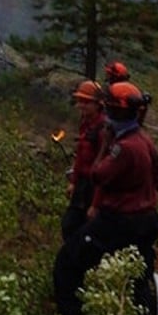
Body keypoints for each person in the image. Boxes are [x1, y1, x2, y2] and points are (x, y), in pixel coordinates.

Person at [52, 81, 158, 315]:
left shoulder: (123, 148)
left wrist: (105, 145)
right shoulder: (144, 141)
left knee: (67, 262)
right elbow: (157, 180)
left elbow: (98, 174)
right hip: (147, 220)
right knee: (137, 278)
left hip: (119, 221)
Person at [60, 80, 106, 241]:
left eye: (86, 102)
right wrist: (74, 181)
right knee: (69, 225)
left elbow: (104, 169)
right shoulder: (86, 123)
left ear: (97, 104)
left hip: (94, 187)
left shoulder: (103, 130)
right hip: (82, 185)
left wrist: (95, 204)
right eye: (80, 101)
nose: (81, 105)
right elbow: (80, 156)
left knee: (86, 230)